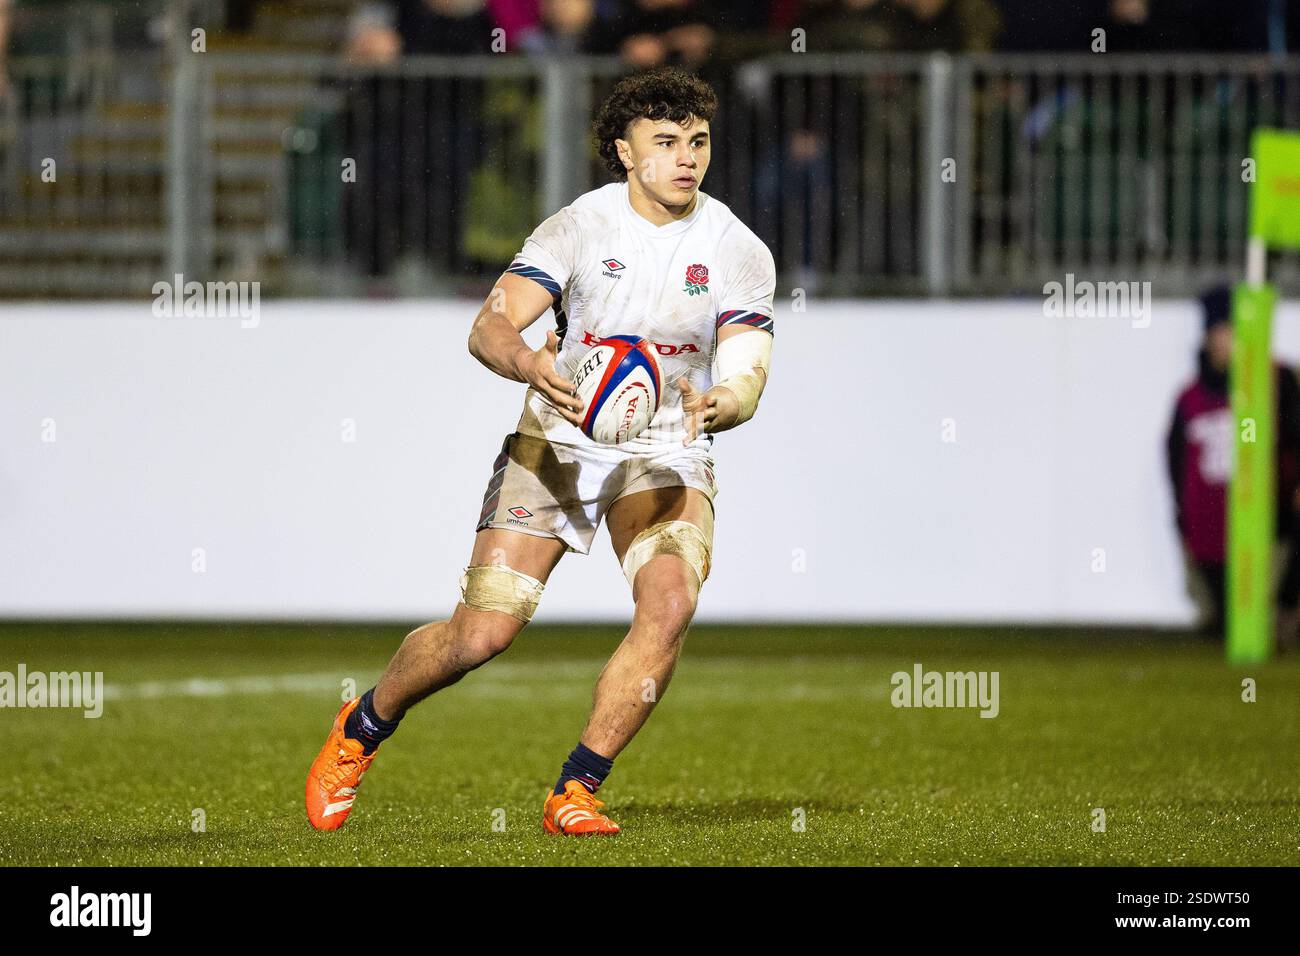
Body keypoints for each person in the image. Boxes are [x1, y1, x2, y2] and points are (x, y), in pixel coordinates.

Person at [306, 66, 776, 834]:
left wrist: (724, 400)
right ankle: (361, 727)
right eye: (665, 142)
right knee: (482, 633)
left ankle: (577, 789)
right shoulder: (578, 228)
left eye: (698, 141)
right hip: (557, 439)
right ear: (624, 152)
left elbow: (748, 371)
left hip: (663, 447)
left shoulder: (737, 249)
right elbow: (489, 325)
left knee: (670, 604)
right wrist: (528, 362)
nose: (687, 157)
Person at [1165, 286, 1300, 648]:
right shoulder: (1190, 398)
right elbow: (1176, 463)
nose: (1226, 342)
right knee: (1221, 624)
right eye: (1219, 332)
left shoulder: (1279, 382)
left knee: (1268, 624)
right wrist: (1182, 520)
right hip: (1210, 532)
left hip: (1272, 527)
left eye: (1233, 331)